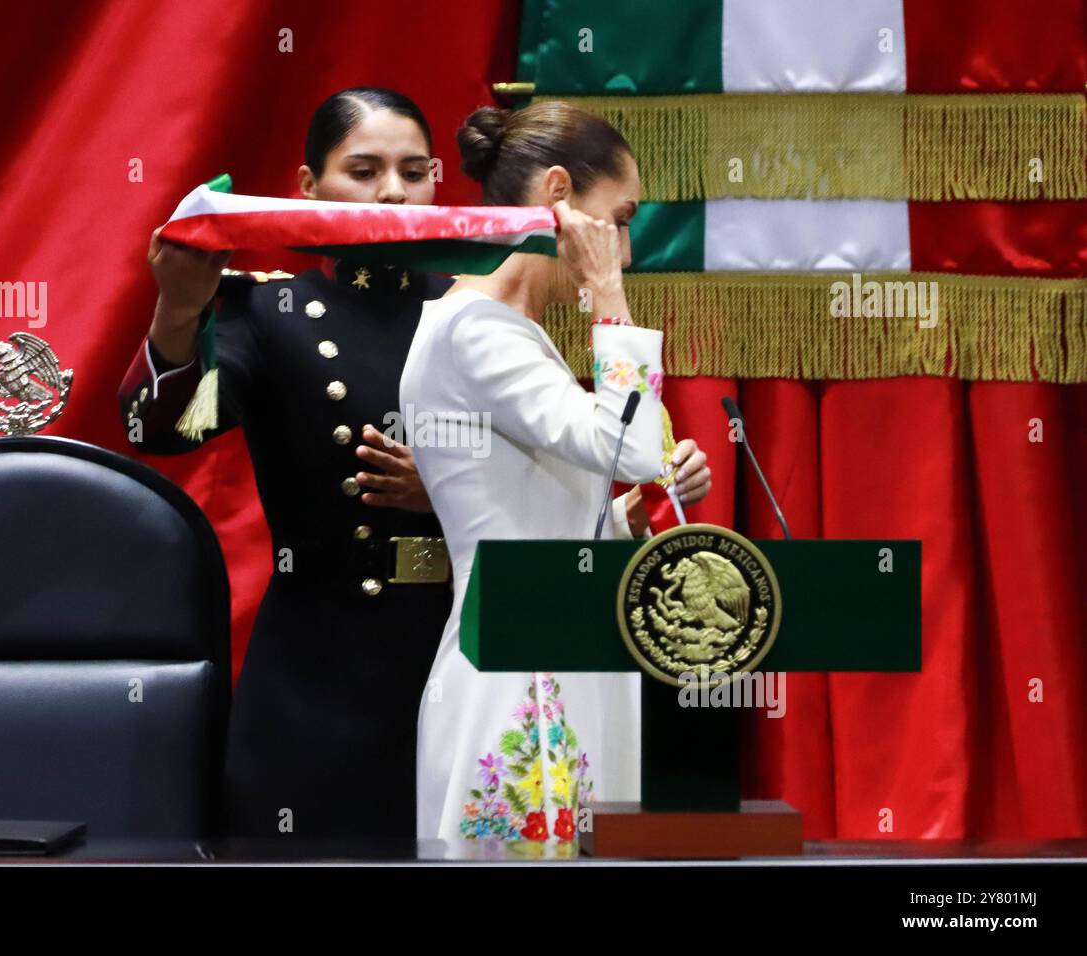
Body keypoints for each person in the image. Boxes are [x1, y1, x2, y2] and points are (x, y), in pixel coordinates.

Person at [117, 88, 455, 840]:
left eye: (413, 170)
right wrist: (178, 312)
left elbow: (549, 480)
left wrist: (454, 496)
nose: (393, 192)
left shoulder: (477, 308)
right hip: (321, 669)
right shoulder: (269, 311)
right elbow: (161, 430)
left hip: (463, 657)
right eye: (363, 169)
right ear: (307, 188)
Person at [400, 101, 711, 853]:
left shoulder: (514, 332)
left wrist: (626, 518)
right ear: (561, 193)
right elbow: (630, 448)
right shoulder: (473, 329)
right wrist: (607, 293)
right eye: (623, 218)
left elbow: (551, 519)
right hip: (512, 671)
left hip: (558, 645)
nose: (626, 251)